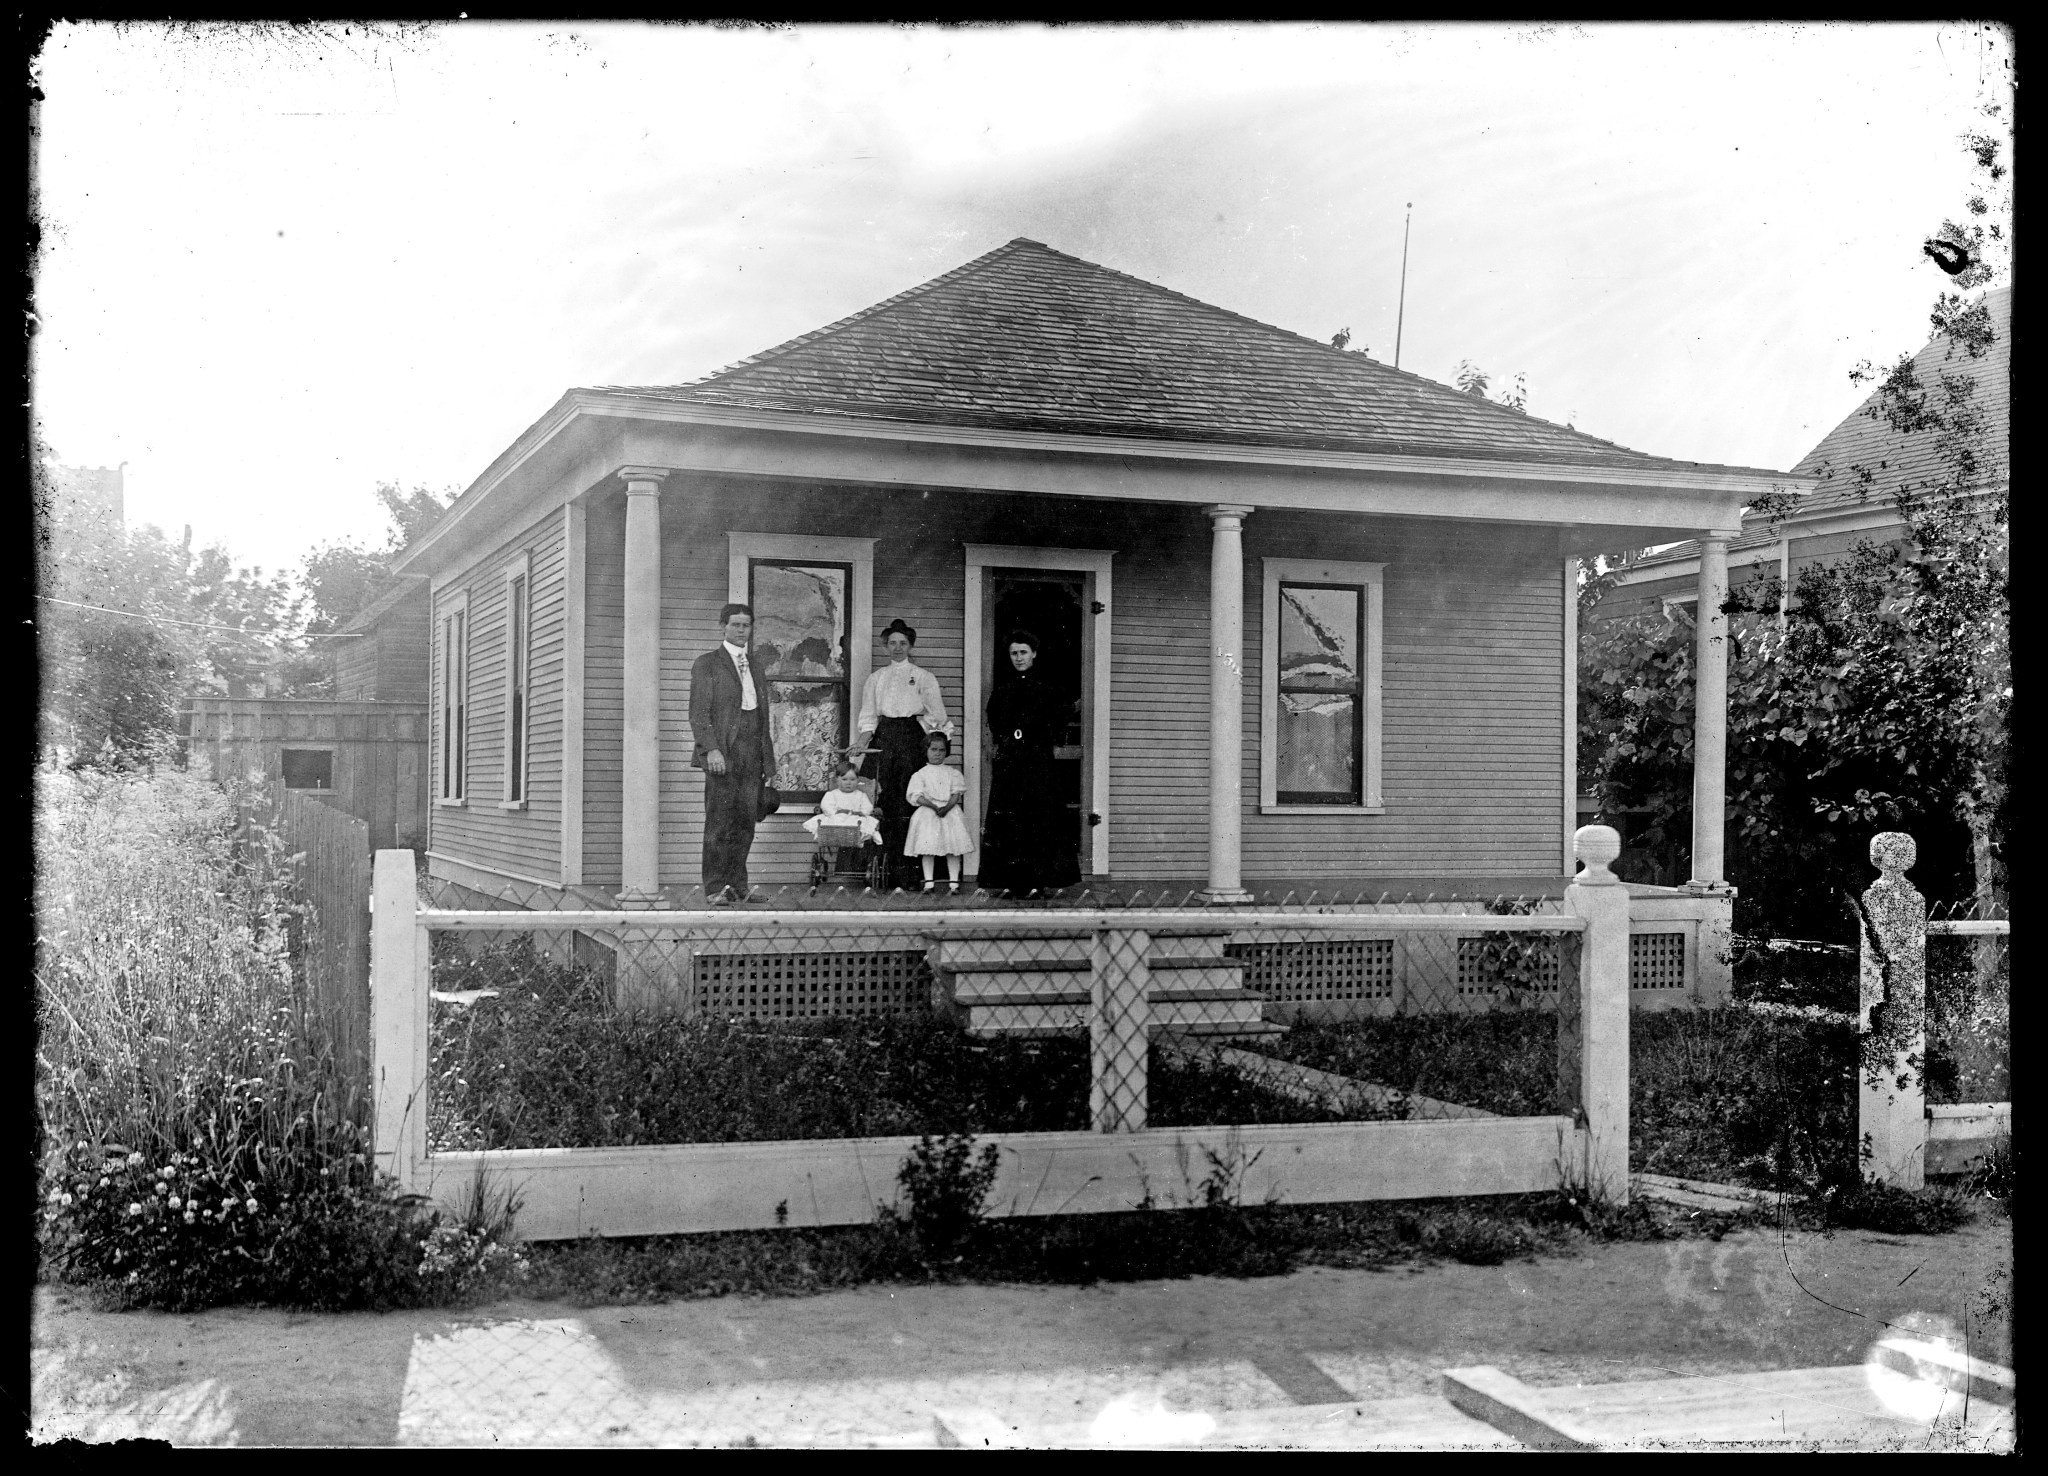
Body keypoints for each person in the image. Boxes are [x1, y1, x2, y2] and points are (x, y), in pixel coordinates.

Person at [977, 628, 1081, 897]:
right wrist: (1011, 734)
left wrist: (1036, 733)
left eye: (1023, 652)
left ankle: (1039, 880)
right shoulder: (1004, 689)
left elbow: (1059, 716)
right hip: (1012, 761)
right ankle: (1013, 882)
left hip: (1038, 761)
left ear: (1034, 654)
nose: (1019, 658)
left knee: (1039, 818)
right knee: (1011, 820)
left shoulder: (1048, 687)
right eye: (1014, 653)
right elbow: (995, 720)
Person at [688, 602, 778, 904]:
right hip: (724, 752)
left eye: (746, 625)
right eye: (736, 624)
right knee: (719, 821)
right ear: (722, 627)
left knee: (745, 821)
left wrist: (767, 758)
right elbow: (700, 713)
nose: (742, 630)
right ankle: (715, 887)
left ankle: (738, 885)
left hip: (753, 750)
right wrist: (711, 749)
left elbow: (762, 714)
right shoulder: (708, 664)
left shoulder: (755, 664)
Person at [853, 618, 953, 889]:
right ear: (886, 645)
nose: (897, 648)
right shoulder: (876, 678)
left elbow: (937, 716)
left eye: (903, 643)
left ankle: (911, 875)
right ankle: (875, 872)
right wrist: (863, 742)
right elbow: (868, 717)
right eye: (893, 643)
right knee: (878, 800)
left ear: (910, 646)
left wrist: (924, 737)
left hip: (911, 741)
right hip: (883, 739)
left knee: (910, 803)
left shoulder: (923, 677)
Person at [904, 732, 973, 894]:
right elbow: (917, 796)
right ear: (926, 751)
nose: (937, 753)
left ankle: (954, 884)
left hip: (950, 813)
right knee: (928, 848)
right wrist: (934, 807)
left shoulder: (952, 773)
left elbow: (956, 794)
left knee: (953, 848)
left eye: (941, 750)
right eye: (933, 749)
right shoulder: (920, 774)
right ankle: (929, 883)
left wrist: (946, 808)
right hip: (928, 813)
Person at [803, 762, 882, 846]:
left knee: (864, 822)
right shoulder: (832, 794)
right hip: (838, 817)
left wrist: (861, 812)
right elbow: (827, 806)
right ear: (837, 780)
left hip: (855, 818)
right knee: (830, 822)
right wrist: (835, 813)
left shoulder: (861, 795)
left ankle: (865, 836)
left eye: (852, 780)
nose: (848, 783)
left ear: (857, 780)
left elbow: (867, 807)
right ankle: (836, 836)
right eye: (844, 779)